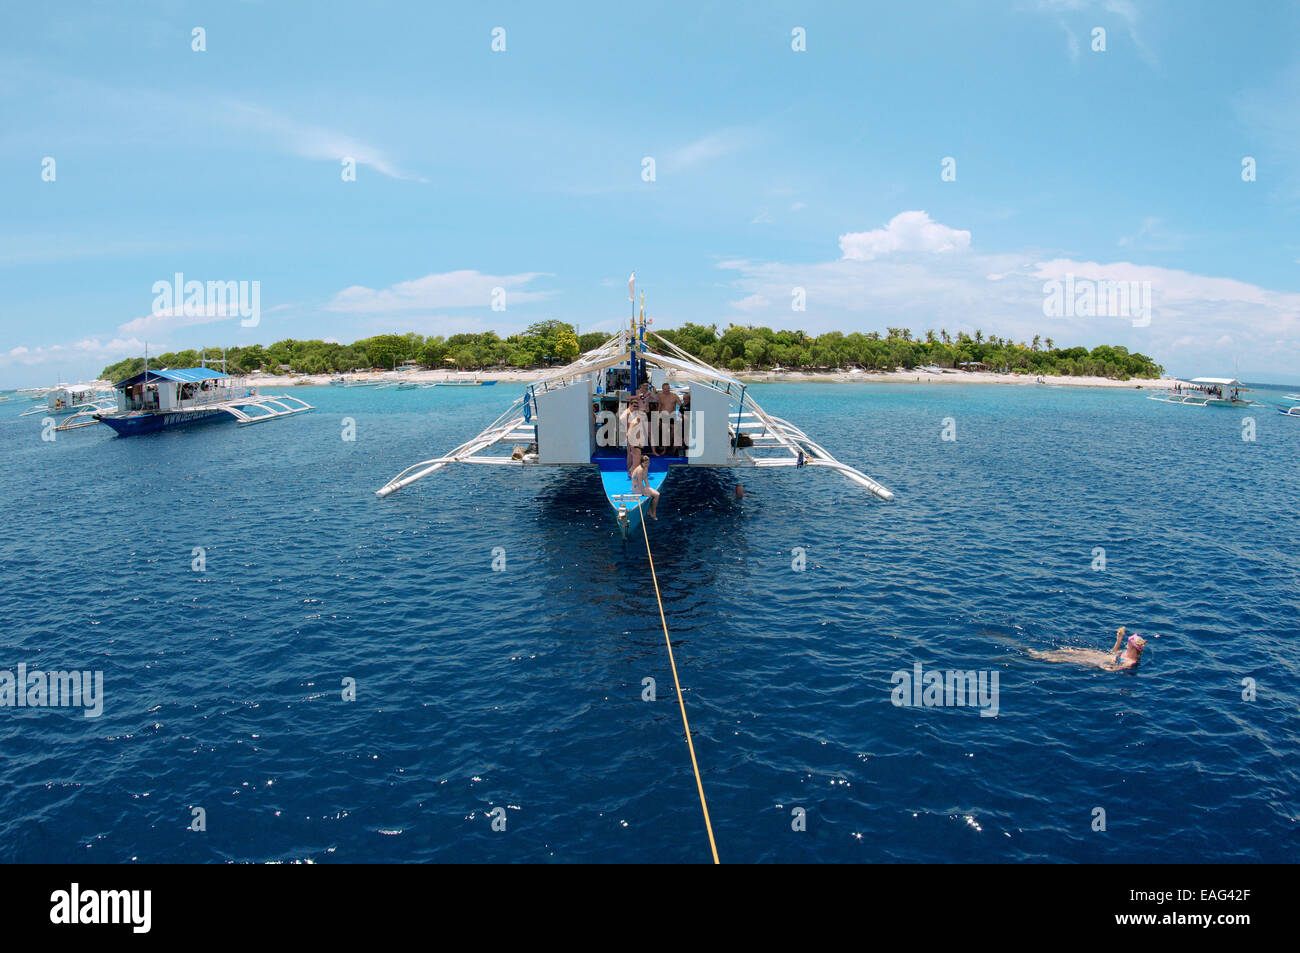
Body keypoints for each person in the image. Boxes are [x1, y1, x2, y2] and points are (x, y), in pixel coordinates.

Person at [1026, 626, 1147, 672]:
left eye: (1127, 643)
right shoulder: (1125, 652)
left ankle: (1039, 657)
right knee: (1071, 651)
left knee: (1069, 659)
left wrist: (1101, 666)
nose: (1126, 644)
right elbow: (1113, 652)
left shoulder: (1130, 662)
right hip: (1101, 655)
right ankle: (1041, 653)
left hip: (1100, 661)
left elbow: (1112, 669)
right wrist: (1118, 639)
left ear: (1132, 648)